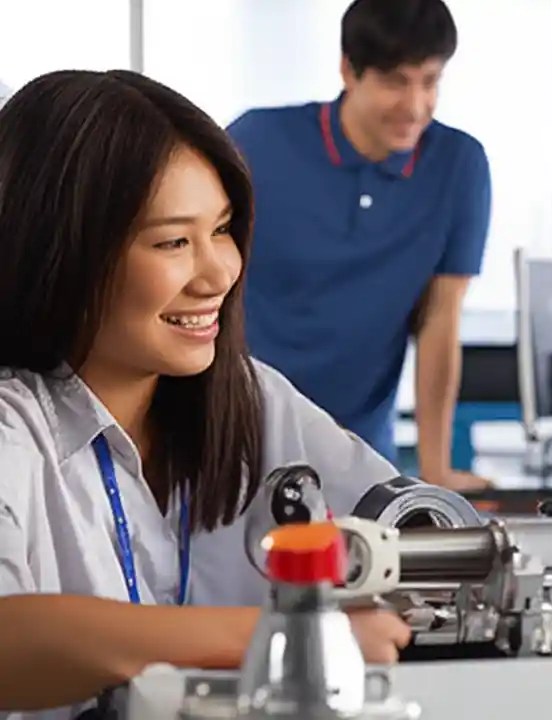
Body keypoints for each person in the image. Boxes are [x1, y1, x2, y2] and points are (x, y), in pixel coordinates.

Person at [0, 70, 416, 719]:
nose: (220, 271)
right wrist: (289, 639)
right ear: (63, 251)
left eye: (221, 229)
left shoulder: (251, 397)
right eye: (173, 241)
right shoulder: (14, 427)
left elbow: (405, 528)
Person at [226, 0, 491, 491]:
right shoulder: (255, 142)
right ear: (349, 70)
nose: (415, 106)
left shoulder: (459, 165)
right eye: (395, 82)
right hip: (237, 445)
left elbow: (440, 320)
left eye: (430, 81)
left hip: (361, 458)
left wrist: (436, 472)